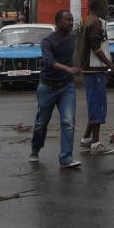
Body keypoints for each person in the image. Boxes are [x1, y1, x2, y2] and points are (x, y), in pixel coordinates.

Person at [30, 9, 83, 169]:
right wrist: (69, 69)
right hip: (47, 87)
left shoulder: (73, 39)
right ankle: (35, 149)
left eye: (72, 20)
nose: (71, 22)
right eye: (67, 20)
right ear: (58, 22)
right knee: (41, 123)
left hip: (67, 87)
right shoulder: (48, 41)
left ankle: (66, 158)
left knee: (68, 122)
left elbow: (80, 54)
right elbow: (49, 61)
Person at [80, 0, 114, 155]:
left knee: (95, 104)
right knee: (97, 105)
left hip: (93, 70)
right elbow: (96, 48)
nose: (107, 7)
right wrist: (112, 66)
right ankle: (96, 143)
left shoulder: (90, 20)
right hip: (94, 69)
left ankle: (86, 138)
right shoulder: (95, 23)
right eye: (105, 4)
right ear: (99, 6)